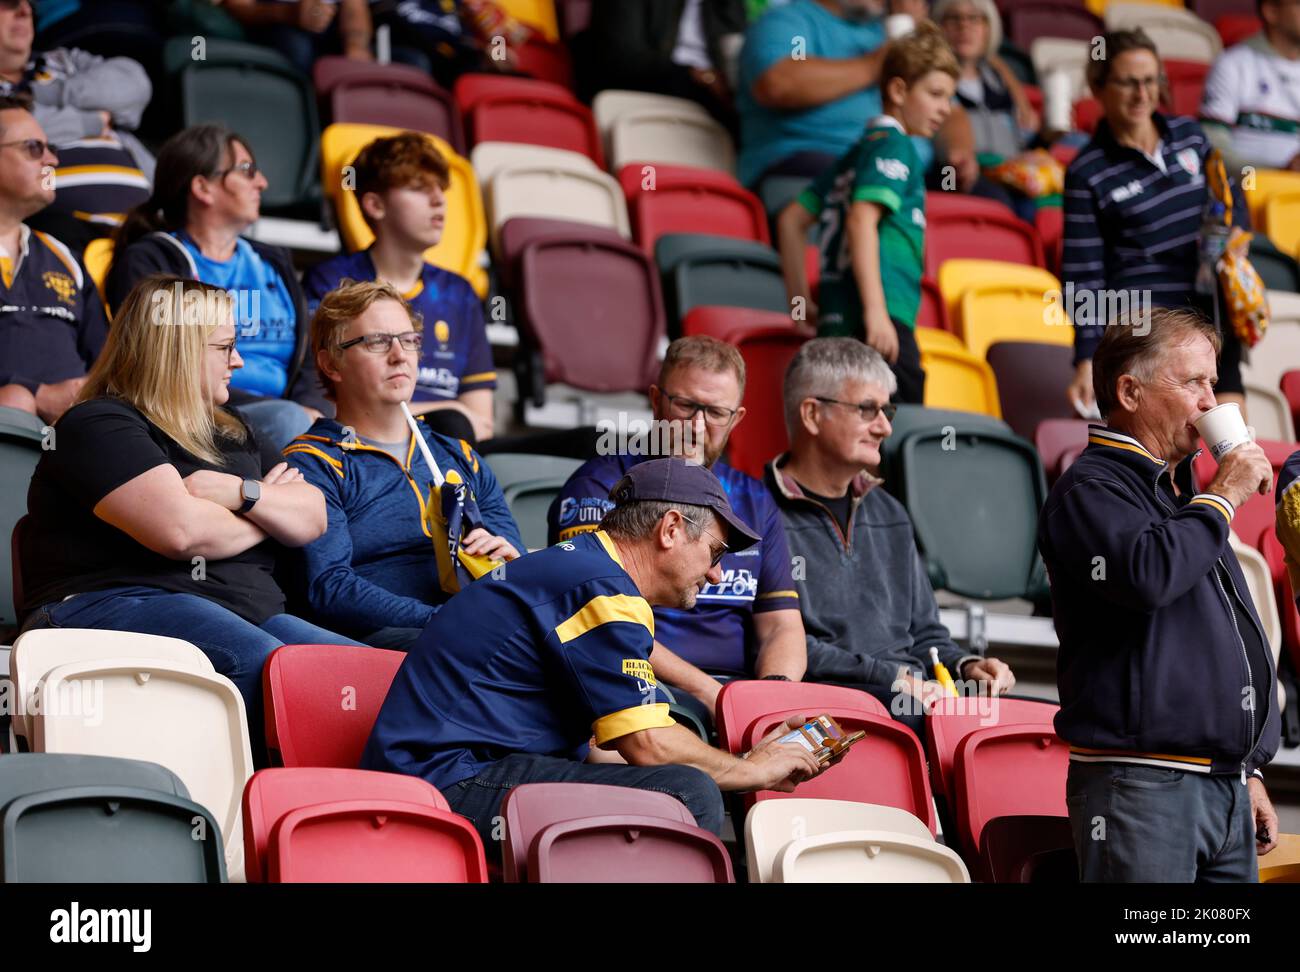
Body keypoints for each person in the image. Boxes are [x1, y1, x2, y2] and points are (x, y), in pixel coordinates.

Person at [363, 456, 830, 845]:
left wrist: (746, 761)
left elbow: (611, 752)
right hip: (440, 782)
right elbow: (649, 747)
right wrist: (753, 772)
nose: (715, 575)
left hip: (463, 771)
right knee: (685, 793)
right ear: (670, 529)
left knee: (681, 778)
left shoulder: (587, 571)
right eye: (715, 552)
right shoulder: (601, 589)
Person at [18, 275, 362, 728]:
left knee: (369, 675)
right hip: (110, 603)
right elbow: (182, 533)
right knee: (277, 670)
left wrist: (239, 494)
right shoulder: (99, 422)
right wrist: (266, 508)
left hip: (249, 614)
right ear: (175, 349)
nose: (238, 362)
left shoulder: (236, 429)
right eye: (225, 347)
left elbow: (315, 517)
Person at [1038, 308, 1280, 882]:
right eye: (1194, 381)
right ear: (1129, 390)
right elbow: (1146, 576)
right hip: (1141, 785)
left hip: (1220, 785)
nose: (1210, 401)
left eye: (1212, 382)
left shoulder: (1183, 495)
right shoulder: (1090, 485)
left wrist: (1246, 770)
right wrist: (1222, 495)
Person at [546, 335, 806, 726]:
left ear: (736, 419)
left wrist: (772, 697)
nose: (697, 427)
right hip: (636, 686)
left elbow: (781, 625)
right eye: (685, 405)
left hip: (735, 692)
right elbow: (600, 618)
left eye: (716, 412)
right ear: (655, 400)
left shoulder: (755, 499)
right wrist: (708, 693)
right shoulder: (601, 485)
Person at [766, 338, 1015, 736]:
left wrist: (966, 667)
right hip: (833, 705)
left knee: (1037, 718)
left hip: (912, 696)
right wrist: (893, 677)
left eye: (886, 410)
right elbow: (782, 646)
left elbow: (928, 636)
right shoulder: (759, 512)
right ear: (812, 414)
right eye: (867, 410)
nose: (884, 426)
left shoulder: (890, 513)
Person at [283, 279, 523, 651]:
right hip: (387, 645)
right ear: (332, 363)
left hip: (480, 632)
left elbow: (517, 575)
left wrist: (507, 563)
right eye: (378, 342)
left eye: (409, 340)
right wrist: (441, 619)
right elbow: (329, 588)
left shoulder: (462, 457)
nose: (400, 355)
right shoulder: (314, 464)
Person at [106, 124, 328, 461]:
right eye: (247, 170)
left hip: (287, 416)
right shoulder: (153, 260)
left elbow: (310, 353)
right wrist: (294, 412)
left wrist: (312, 405)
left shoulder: (272, 260)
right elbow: (163, 365)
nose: (262, 183)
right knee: (290, 421)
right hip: (195, 416)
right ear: (203, 187)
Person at [1063, 29, 1249, 418]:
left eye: (1150, 81)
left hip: (1209, 318)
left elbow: (1231, 196)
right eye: (1128, 82)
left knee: (1234, 448)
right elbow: (1084, 274)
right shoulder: (1087, 172)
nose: (1142, 93)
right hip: (1149, 333)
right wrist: (1084, 358)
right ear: (1098, 89)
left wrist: (1236, 234)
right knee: (1173, 455)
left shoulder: (1190, 137)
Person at [776, 22, 958, 403]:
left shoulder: (858, 152)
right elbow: (862, 218)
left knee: (847, 435)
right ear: (897, 90)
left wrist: (798, 302)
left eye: (949, 97)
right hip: (877, 320)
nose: (945, 108)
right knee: (898, 432)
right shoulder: (896, 147)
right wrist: (877, 312)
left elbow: (792, 219)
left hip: (836, 323)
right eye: (936, 94)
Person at [303, 132, 496, 444]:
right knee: (452, 422)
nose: (439, 200)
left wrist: (451, 416)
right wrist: (448, 409)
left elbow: (483, 423)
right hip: (367, 442)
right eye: (419, 188)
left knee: (589, 442)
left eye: (441, 189)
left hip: (456, 444)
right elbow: (323, 405)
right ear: (375, 205)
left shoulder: (460, 292)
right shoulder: (331, 282)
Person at [738, 0, 981, 201]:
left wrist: (957, 153)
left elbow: (952, 110)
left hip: (909, 170)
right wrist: (881, 61)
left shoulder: (884, 32)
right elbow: (782, 82)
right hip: (818, 162)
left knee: (981, 197)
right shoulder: (793, 22)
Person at [0, 0, 153, 252]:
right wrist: (90, 121)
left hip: (142, 227)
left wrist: (48, 94)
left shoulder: (62, 61)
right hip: (61, 232)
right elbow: (15, 131)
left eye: (29, 5)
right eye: (11, 4)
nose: (25, 11)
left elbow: (134, 85)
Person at [0, 93, 107, 426]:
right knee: (15, 402)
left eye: (51, 149)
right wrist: (35, 394)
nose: (52, 161)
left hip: (78, 436)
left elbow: (107, 361)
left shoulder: (64, 257)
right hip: (12, 436)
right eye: (34, 148)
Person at [933, 0, 1040, 221]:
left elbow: (1021, 140)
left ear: (988, 28)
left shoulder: (1000, 81)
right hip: (952, 176)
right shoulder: (933, 79)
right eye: (954, 18)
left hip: (1010, 175)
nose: (964, 27)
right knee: (1000, 204)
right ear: (938, 27)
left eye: (974, 18)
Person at [579, 0, 747, 134]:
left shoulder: (728, 6)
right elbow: (620, 59)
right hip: (645, 95)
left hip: (713, 109)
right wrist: (700, 77)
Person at [1201, 0, 1300, 174]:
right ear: (1271, 11)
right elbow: (1211, 147)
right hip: (1251, 189)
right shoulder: (1233, 63)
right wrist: (1278, 173)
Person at [223, 0, 373, 76]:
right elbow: (237, 6)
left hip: (332, 24)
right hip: (273, 20)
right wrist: (287, 13)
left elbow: (354, 7)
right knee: (298, 49)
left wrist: (356, 46)